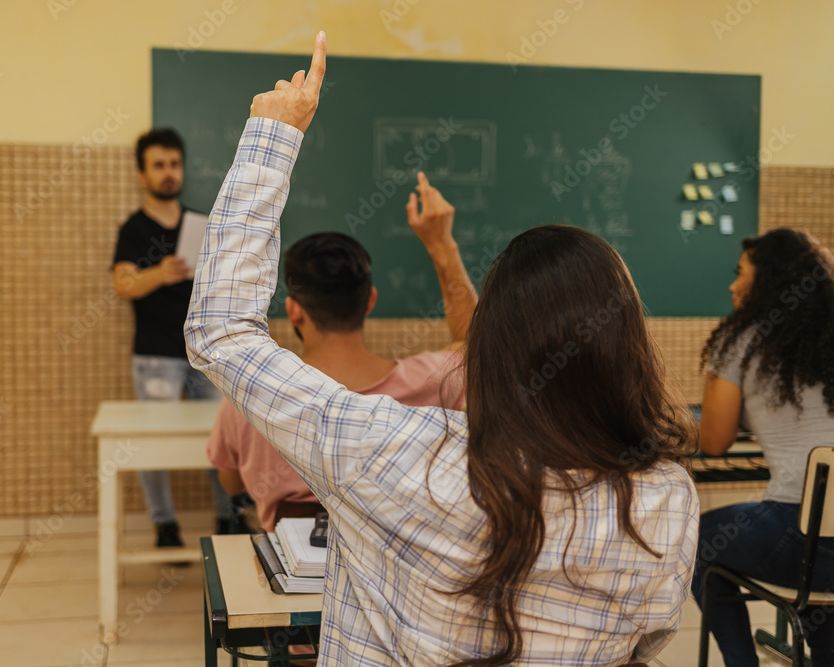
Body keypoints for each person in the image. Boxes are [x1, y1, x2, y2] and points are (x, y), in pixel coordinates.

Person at [185, 32, 699, 665]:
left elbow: (222, 332)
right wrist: (441, 250)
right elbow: (642, 648)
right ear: (632, 352)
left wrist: (272, 137)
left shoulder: (393, 450)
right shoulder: (664, 497)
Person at [206, 176, 474, 532]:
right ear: (371, 301)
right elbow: (478, 344)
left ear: (294, 311)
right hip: (392, 571)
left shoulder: (253, 394)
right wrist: (442, 244)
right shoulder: (431, 381)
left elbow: (231, 483)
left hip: (291, 577)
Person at [693, 227, 834, 666]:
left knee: (696, 540)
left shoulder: (742, 342)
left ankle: (741, 663)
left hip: (797, 535)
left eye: (741, 275)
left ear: (769, 282)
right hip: (824, 545)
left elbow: (714, 442)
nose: (733, 285)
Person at [111, 128, 233, 548]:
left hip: (203, 354)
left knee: (220, 437)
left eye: (174, 164)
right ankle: (165, 526)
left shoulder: (199, 224)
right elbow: (122, 283)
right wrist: (159, 273)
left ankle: (229, 518)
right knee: (154, 444)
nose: (169, 173)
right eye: (159, 165)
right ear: (142, 175)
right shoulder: (134, 228)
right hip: (155, 358)